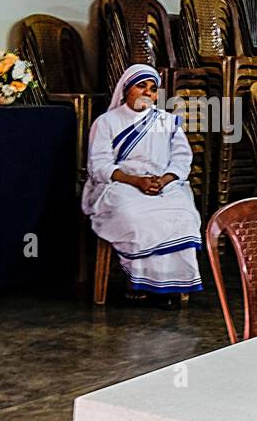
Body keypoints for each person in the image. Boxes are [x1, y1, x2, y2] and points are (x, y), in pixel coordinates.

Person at [82, 64, 203, 307]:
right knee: (134, 216)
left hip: (164, 184)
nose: (148, 92)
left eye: (153, 88)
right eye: (141, 86)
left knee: (184, 215)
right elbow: (100, 165)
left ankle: (170, 287)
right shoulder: (106, 122)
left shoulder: (167, 121)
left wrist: (165, 180)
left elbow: (182, 159)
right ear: (127, 89)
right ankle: (137, 281)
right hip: (120, 183)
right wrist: (137, 181)